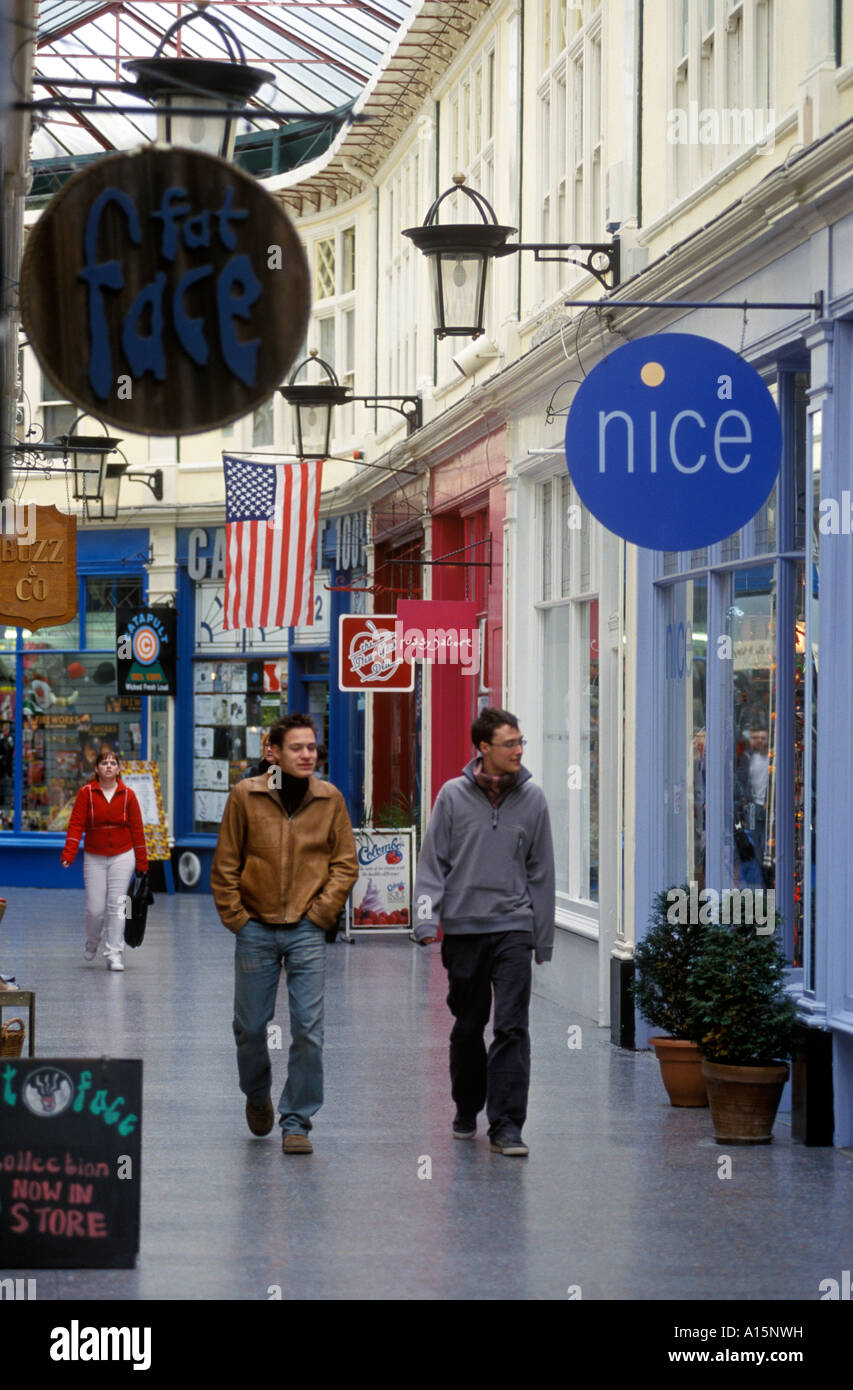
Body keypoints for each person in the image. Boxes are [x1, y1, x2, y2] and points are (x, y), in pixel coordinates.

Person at [211, 714, 358, 1154]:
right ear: (271, 752)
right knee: (250, 1027)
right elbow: (225, 865)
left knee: (310, 1030)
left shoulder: (329, 800)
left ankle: (297, 1120)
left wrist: (320, 914)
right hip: (255, 928)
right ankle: (257, 1095)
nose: (307, 755)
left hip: (306, 931)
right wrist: (238, 919)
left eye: (312, 747)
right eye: (297, 748)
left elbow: (345, 863)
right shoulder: (245, 796)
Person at [413, 707, 555, 1157]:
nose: (518, 751)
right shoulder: (452, 797)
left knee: (512, 1026)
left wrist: (542, 936)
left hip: (514, 926)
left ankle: (507, 1125)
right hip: (466, 929)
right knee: (468, 1026)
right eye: (509, 743)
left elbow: (541, 872)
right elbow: (432, 863)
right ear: (483, 749)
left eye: (520, 742)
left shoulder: (533, 800)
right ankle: (466, 1106)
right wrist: (424, 918)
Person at [60, 746, 148, 972]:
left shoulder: (128, 795)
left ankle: (114, 954)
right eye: (104, 763)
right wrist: (69, 853)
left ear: (118, 769)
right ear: (97, 769)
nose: (109, 766)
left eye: (113, 763)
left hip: (123, 854)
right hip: (94, 855)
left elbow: (137, 829)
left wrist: (142, 862)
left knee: (119, 905)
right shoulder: (86, 793)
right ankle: (92, 941)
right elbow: (76, 824)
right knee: (95, 909)